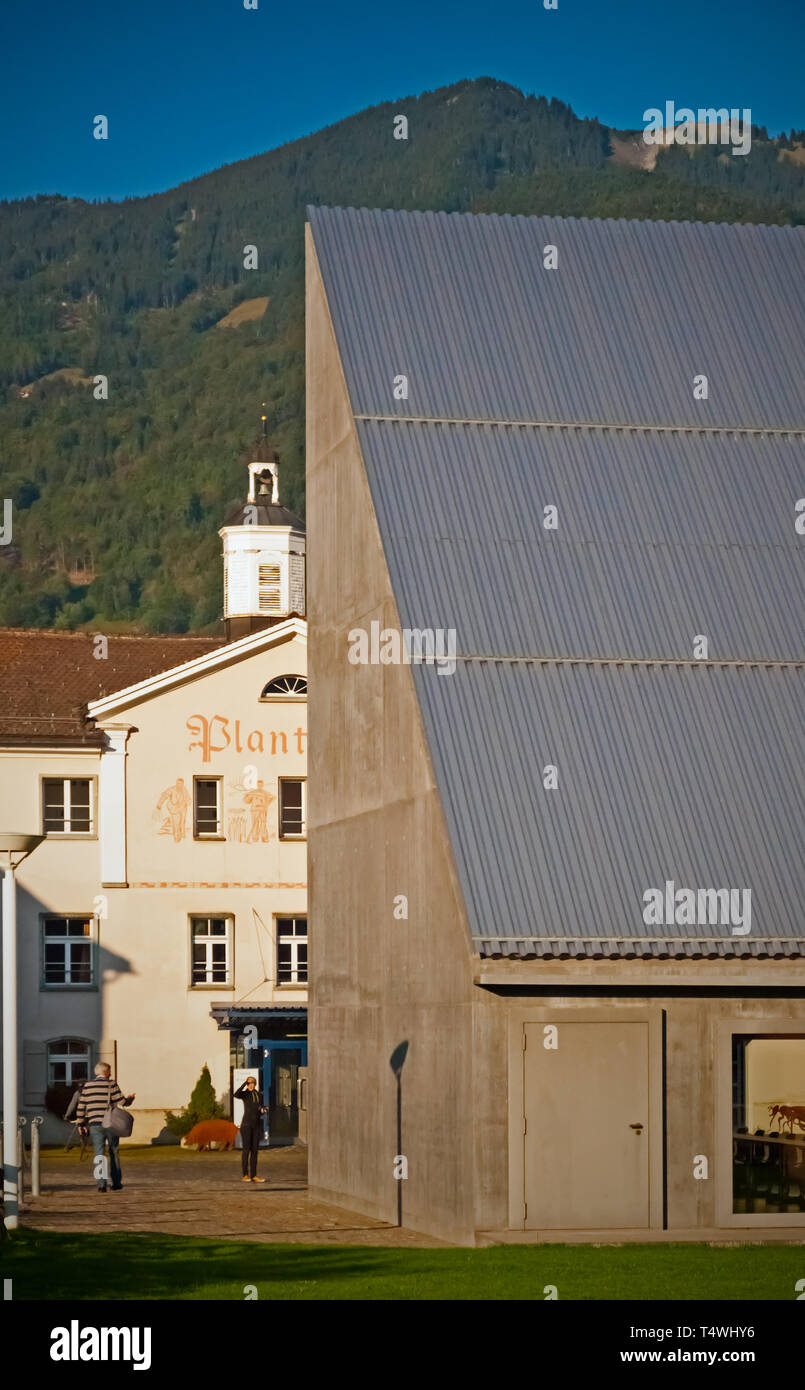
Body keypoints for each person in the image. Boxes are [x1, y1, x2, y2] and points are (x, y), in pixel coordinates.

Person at [76, 1062, 135, 1192]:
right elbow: (122, 1102)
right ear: (105, 1072)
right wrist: (130, 1099)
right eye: (109, 1071)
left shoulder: (87, 1086)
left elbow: (81, 1107)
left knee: (99, 1153)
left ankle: (101, 1184)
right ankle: (116, 1183)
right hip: (111, 1124)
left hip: (95, 1125)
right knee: (114, 1152)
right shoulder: (111, 1084)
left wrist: (81, 1123)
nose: (111, 1074)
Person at [234, 1076, 267, 1182]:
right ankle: (245, 1175)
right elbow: (236, 1094)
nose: (251, 1085)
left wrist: (263, 1110)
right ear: (247, 1084)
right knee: (246, 1150)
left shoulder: (259, 1095)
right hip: (246, 1125)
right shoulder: (245, 1094)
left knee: (255, 1151)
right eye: (249, 1083)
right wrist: (244, 1083)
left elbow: (261, 1107)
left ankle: (254, 1175)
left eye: (253, 1083)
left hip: (256, 1125)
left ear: (255, 1084)